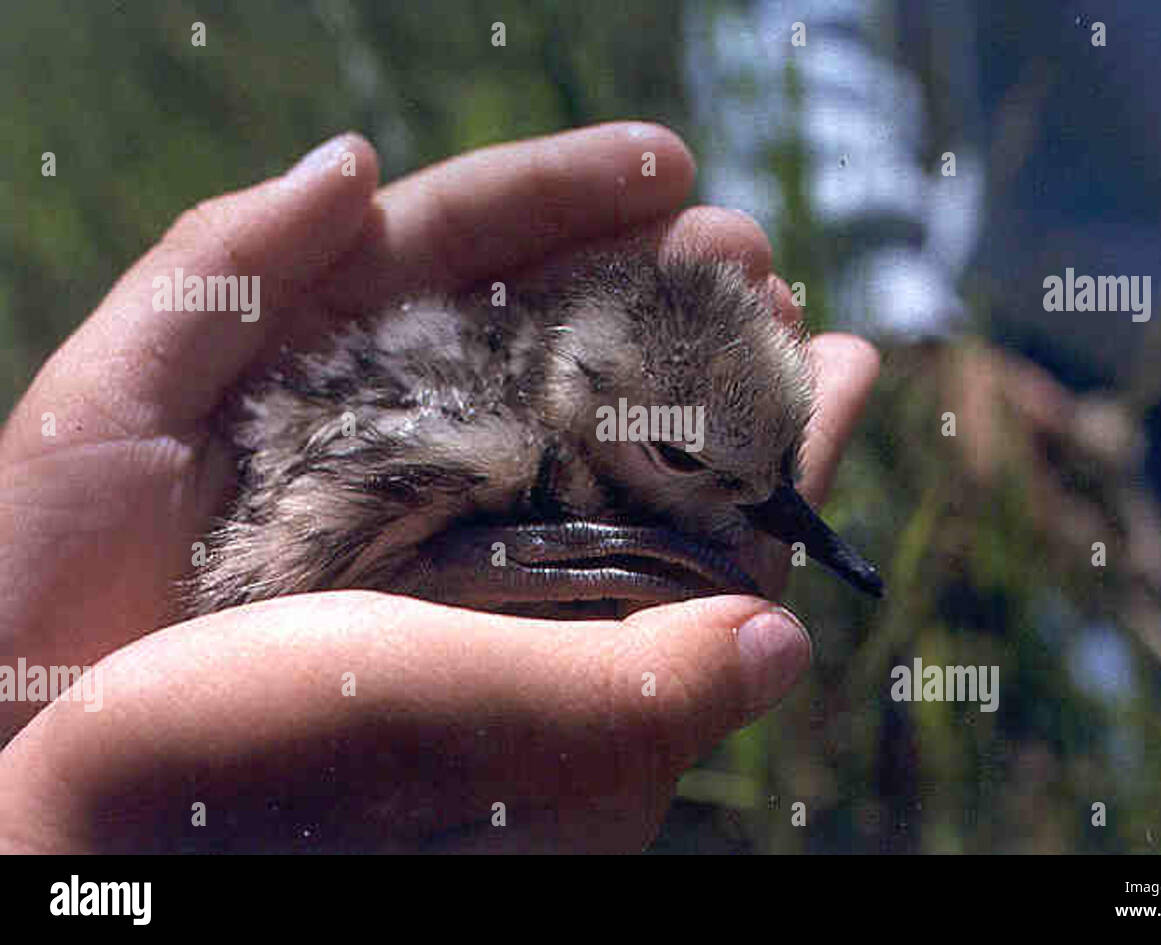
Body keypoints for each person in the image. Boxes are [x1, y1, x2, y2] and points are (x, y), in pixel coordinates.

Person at [0, 123, 878, 852]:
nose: (770, 506)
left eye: (780, 465)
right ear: (592, 401)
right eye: (686, 461)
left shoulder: (559, 415)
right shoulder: (503, 461)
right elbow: (271, 566)